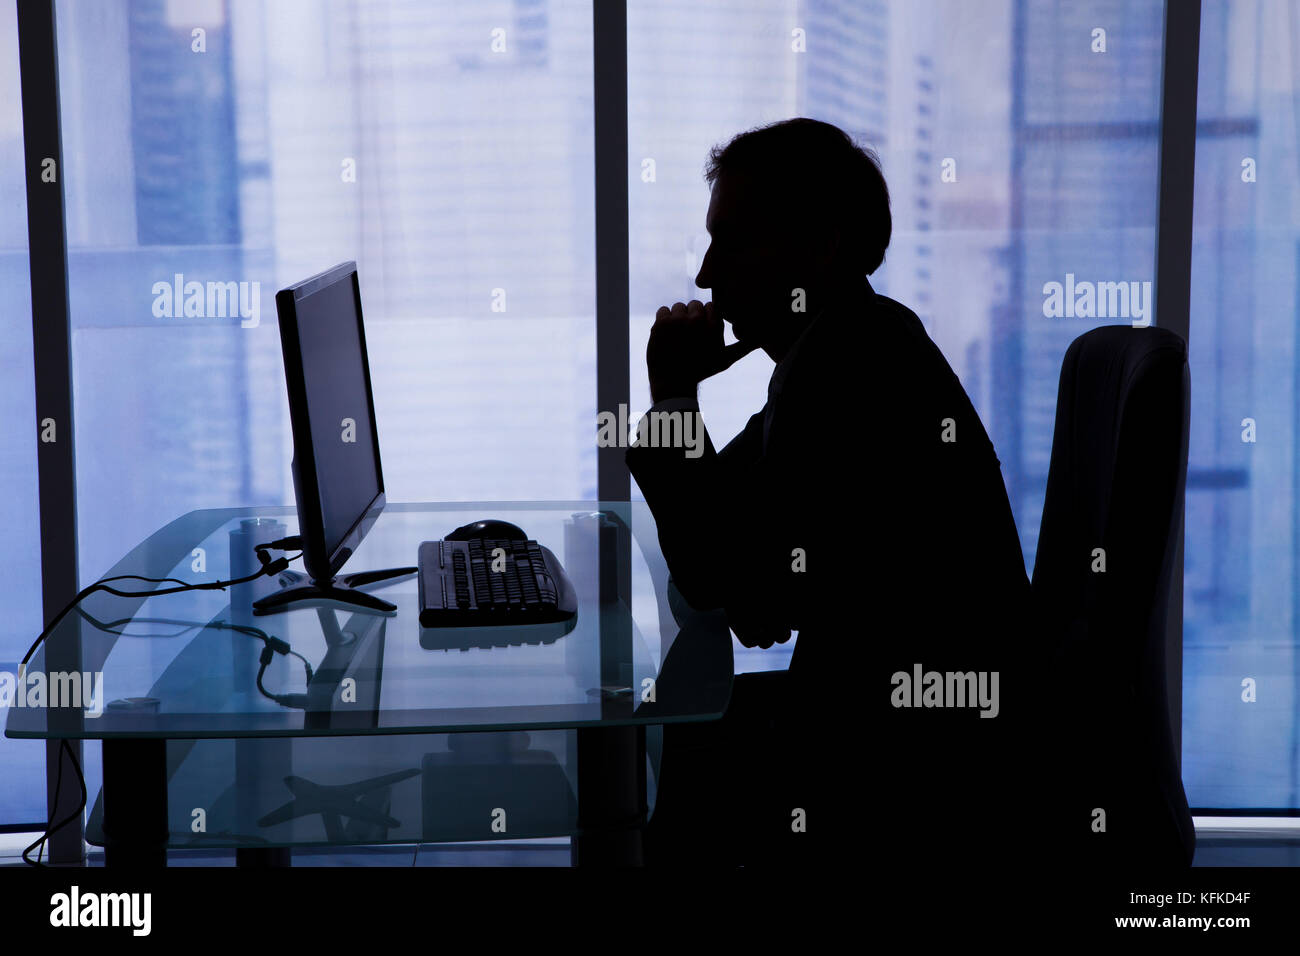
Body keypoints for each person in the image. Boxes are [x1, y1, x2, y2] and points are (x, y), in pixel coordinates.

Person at [627, 118, 1038, 868]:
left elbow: (743, 600)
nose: (706, 277)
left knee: (662, 753)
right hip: (909, 720)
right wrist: (675, 412)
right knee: (673, 738)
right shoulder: (851, 342)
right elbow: (736, 530)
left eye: (735, 241)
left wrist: (675, 399)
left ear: (822, 246)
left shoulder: (851, 371)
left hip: (915, 762)